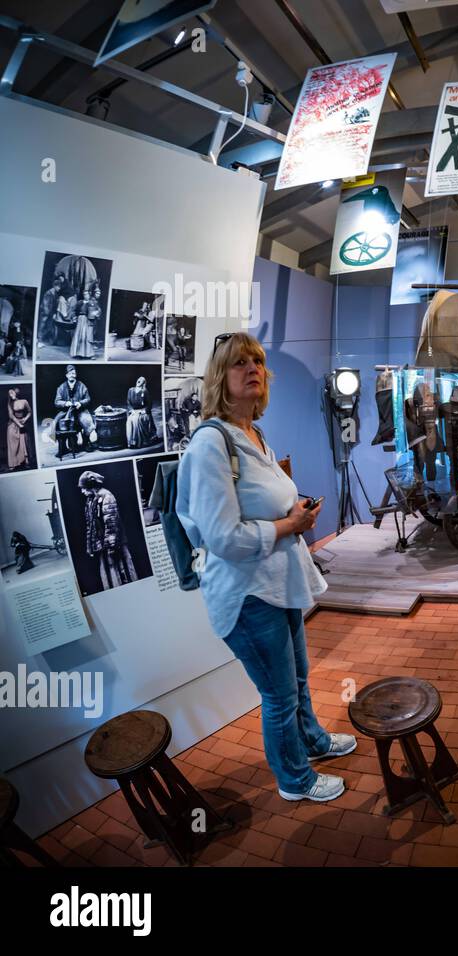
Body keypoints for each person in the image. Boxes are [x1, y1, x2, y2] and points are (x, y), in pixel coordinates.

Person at [176, 332, 348, 804]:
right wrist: (288, 524)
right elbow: (223, 538)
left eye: (256, 361)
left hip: (276, 583)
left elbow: (264, 505)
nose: (252, 368)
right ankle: (295, 780)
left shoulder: (253, 434)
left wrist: (296, 516)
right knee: (278, 697)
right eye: (238, 363)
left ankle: (312, 742)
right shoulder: (211, 445)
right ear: (219, 377)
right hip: (248, 595)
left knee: (296, 679)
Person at [78, 470, 136, 589]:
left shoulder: (106, 496)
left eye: (83, 488)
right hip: (102, 544)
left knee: (120, 569)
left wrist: (111, 546)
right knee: (109, 572)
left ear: (90, 486)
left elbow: (111, 523)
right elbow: (90, 525)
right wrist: (90, 547)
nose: (82, 491)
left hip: (114, 544)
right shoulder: (90, 500)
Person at [53, 364, 95, 449]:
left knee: (87, 421)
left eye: (73, 373)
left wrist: (80, 403)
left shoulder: (82, 385)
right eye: (70, 374)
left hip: (80, 410)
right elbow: (57, 401)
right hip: (66, 411)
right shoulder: (61, 387)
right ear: (66, 375)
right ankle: (63, 446)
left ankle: (86, 442)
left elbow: (88, 398)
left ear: (76, 375)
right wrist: (65, 403)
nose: (72, 375)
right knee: (56, 423)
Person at [125, 376, 157, 448]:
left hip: (142, 411)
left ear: (143, 383)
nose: (139, 381)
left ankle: (136, 442)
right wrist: (131, 410)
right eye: (138, 379)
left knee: (136, 420)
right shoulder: (130, 390)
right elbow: (128, 403)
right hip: (134, 411)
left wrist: (144, 411)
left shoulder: (145, 391)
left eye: (141, 380)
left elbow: (149, 404)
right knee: (129, 421)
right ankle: (130, 443)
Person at [69, 280, 98, 360]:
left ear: (89, 294)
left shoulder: (92, 302)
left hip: (88, 321)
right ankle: (78, 354)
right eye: (84, 294)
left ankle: (89, 354)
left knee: (88, 337)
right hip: (80, 320)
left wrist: (95, 313)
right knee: (79, 336)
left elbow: (98, 310)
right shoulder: (79, 302)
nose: (85, 295)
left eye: (86, 294)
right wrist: (74, 317)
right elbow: (73, 311)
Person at [7, 387, 32, 472]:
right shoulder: (10, 403)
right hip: (13, 424)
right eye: (10, 394)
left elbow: (29, 412)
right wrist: (19, 425)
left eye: (12, 393)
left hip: (22, 422)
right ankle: (13, 463)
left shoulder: (24, 401)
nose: (11, 395)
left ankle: (26, 461)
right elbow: (11, 416)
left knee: (23, 442)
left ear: (17, 393)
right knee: (13, 444)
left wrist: (25, 419)